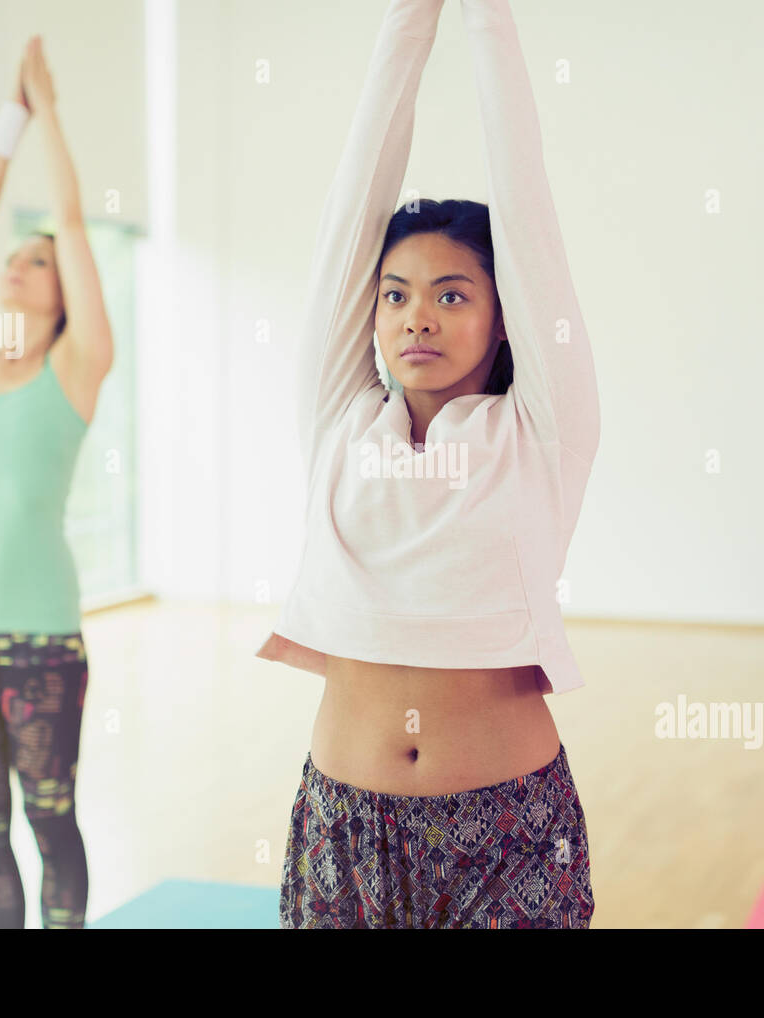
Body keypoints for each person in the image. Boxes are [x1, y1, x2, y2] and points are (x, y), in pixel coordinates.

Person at [257, 0, 600, 929]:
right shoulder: (339, 422)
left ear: (503, 316)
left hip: (510, 830)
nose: (419, 315)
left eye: (453, 295)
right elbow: (349, 218)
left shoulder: (538, 435)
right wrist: (407, 21)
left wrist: (486, 20)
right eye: (398, 295)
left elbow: (525, 208)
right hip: (343, 828)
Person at [0, 37, 113, 929]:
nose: (16, 263)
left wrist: (51, 112)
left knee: (50, 819)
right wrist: (7, 118)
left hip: (42, 638)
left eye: (36, 262)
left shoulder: (76, 369)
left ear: (62, 293)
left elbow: (73, 225)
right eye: (18, 259)